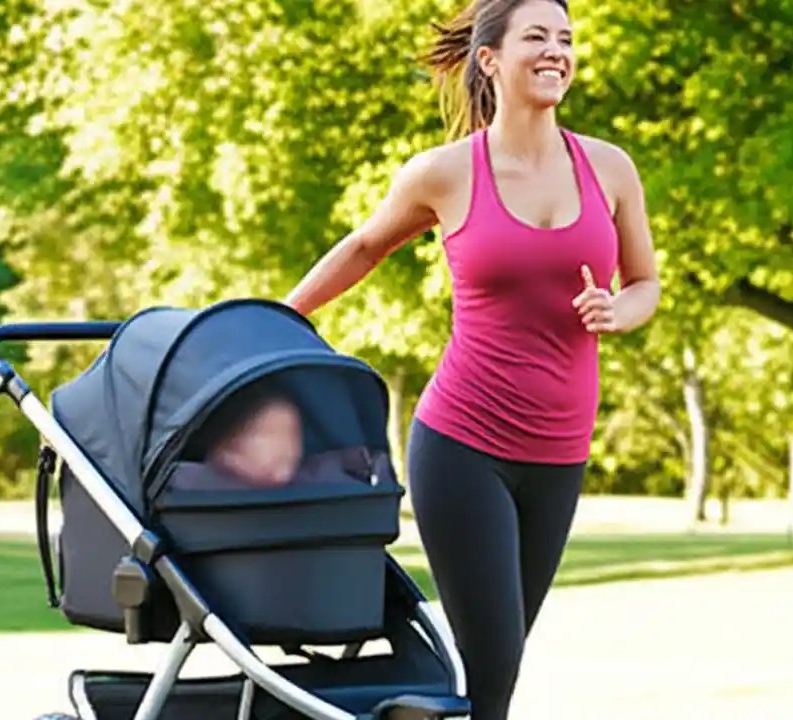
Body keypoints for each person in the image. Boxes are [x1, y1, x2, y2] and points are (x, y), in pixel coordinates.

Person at [282, 0, 660, 717]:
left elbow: (645, 284)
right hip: (463, 443)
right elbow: (365, 246)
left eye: (567, 39)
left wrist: (619, 311)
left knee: (502, 663)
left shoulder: (610, 168)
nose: (557, 51)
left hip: (560, 451)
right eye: (538, 37)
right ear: (489, 59)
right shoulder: (445, 173)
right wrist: (276, 318)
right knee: (494, 661)